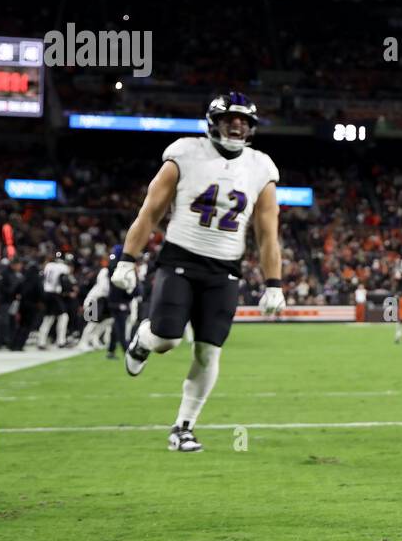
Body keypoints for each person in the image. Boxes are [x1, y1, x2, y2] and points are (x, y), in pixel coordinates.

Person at [112, 93, 285, 452]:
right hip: (181, 258)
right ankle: (143, 340)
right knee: (167, 339)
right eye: (229, 118)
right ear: (213, 122)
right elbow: (150, 212)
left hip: (225, 269)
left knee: (209, 352)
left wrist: (274, 283)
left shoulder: (261, 167)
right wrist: (127, 258)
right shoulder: (185, 153)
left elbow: (267, 233)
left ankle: (183, 427)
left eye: (243, 121)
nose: (236, 125)